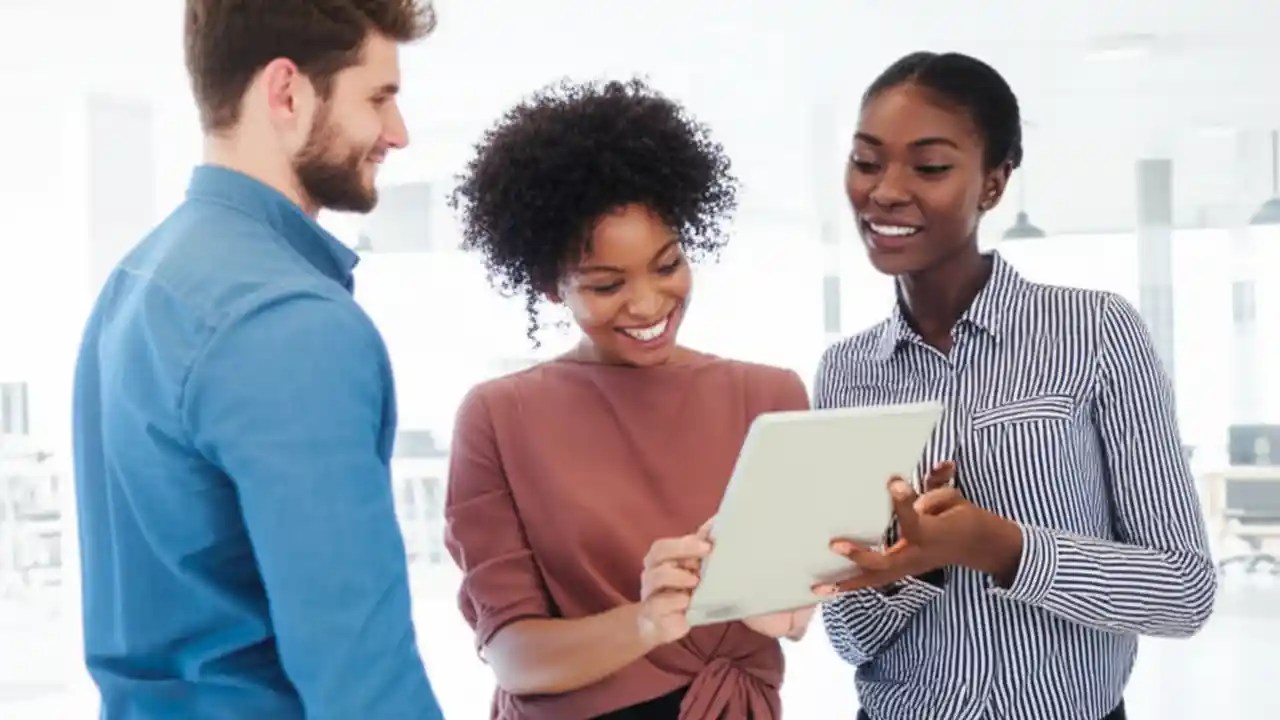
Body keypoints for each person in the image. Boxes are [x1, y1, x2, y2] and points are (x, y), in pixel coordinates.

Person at [811, 51, 1217, 720]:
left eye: (931, 166)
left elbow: (1182, 590)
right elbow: (849, 639)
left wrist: (998, 547)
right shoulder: (846, 373)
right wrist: (912, 566)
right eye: (866, 160)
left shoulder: (1095, 332)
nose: (885, 190)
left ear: (994, 183)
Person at [71, 2, 445, 718]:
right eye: (379, 98)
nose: (397, 133)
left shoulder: (138, 282)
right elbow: (363, 681)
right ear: (287, 92)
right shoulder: (289, 322)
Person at [444, 78, 820, 719]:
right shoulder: (498, 417)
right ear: (550, 284)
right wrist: (646, 622)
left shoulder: (769, 395)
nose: (647, 304)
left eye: (668, 265)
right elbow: (512, 654)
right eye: (606, 283)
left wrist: (776, 601)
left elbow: (791, 614)